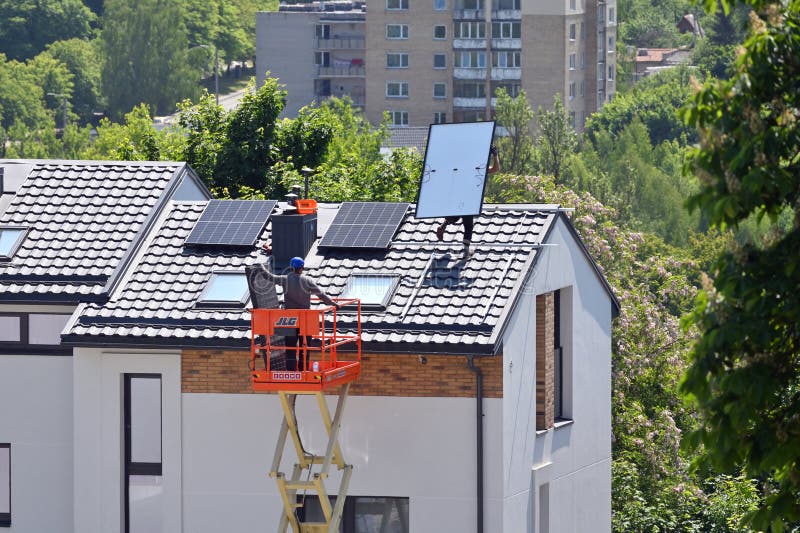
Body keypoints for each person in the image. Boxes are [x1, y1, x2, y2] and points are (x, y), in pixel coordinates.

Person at [258, 247, 338, 371]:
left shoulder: (285, 279)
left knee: (290, 347)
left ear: (291, 267)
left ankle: (291, 370)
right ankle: (303, 370)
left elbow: (269, 277)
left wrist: (261, 267)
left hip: (289, 319)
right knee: (305, 347)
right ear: (302, 267)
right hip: (306, 318)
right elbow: (321, 294)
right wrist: (333, 304)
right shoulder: (308, 280)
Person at [435, 144, 501, 257]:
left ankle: (443, 226)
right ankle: (466, 250)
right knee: (468, 225)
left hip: (456, 197)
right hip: (468, 199)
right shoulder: (477, 168)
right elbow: (496, 169)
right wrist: (495, 155)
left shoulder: (460, 166)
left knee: (454, 216)